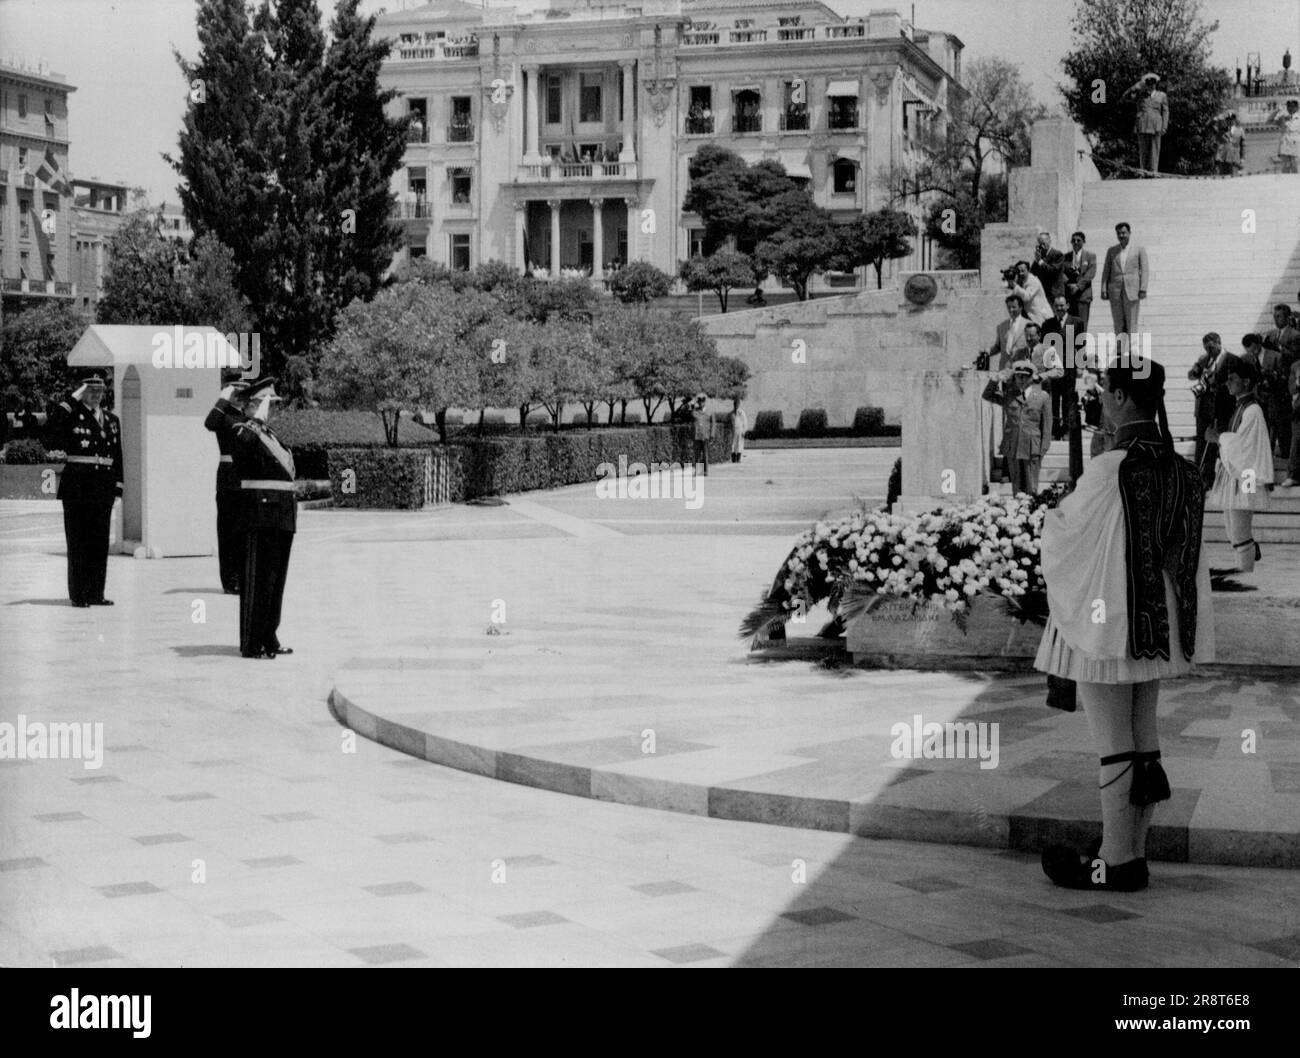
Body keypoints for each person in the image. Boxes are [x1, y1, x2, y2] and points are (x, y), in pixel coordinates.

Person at [1035, 358, 1212, 893]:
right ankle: (1130, 852)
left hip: (1110, 624)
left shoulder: (1111, 467)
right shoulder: (1181, 468)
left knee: (1113, 738)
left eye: (1105, 393)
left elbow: (1065, 535)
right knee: (1144, 736)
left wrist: (1051, 514)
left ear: (1116, 396)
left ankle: (1114, 861)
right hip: (1160, 627)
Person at [208, 376, 296, 659]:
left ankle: (269, 636)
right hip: (258, 512)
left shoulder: (269, 435)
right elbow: (239, 441)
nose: (271, 410)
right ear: (252, 406)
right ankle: (251, 642)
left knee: (274, 581)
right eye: (267, 404)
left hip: (280, 512)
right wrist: (253, 417)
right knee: (258, 581)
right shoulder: (240, 430)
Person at [45, 368, 123, 607]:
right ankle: (79, 594)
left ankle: (96, 592)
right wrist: (72, 398)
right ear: (82, 392)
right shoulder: (71, 415)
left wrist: (118, 487)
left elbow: (118, 455)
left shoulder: (111, 420)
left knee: (99, 543)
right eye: (90, 390)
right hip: (78, 487)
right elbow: (52, 426)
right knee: (78, 542)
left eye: (99, 390)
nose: (96, 395)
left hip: (103, 487)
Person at [1207, 356, 1273, 575]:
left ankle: (1246, 570)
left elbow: (1244, 446)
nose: (1228, 383)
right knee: (1230, 524)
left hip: (1247, 474)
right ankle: (1246, 557)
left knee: (1239, 526)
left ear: (1246, 381)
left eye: (1233, 379)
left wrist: (1219, 438)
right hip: (1237, 472)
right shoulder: (1241, 407)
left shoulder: (1252, 410)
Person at [204, 372, 250, 595]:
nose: (240, 396)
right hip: (229, 480)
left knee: (244, 532)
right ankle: (229, 580)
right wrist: (224, 398)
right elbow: (209, 423)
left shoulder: (248, 416)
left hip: (247, 480)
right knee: (228, 532)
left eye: (243, 391)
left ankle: (243, 577)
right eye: (236, 391)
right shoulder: (223, 415)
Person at [981, 362, 1051, 495]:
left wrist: (1043, 448)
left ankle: (1032, 513)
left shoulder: (1043, 397)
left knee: (1032, 487)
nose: (1022, 380)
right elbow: (987, 395)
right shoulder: (1009, 395)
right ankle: (1017, 513)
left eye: (1025, 377)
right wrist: (995, 379)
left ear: (1032, 378)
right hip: (1013, 445)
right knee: (1016, 487)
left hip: (1032, 447)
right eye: (1019, 377)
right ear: (1014, 378)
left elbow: (1047, 426)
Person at [1040, 296, 1085, 440]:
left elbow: (1081, 346)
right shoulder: (1048, 324)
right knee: (1053, 400)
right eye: (1056, 306)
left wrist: (1080, 366)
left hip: (1070, 366)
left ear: (1067, 306)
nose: (1059, 308)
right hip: (1054, 367)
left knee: (1068, 399)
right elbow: (1045, 347)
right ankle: (1054, 430)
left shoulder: (1077, 322)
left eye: (1061, 305)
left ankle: (1067, 430)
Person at [1262, 303, 1300, 456]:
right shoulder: (1271, 334)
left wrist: (1279, 348)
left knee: (1284, 420)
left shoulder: (1295, 335)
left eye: (1279, 316)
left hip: (1286, 383)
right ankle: (1269, 451)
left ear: (1287, 317)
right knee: (1271, 418)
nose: (1276, 319)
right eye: (1274, 317)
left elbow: (1296, 357)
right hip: (1272, 383)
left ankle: (1286, 452)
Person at [1188, 332, 1227, 480]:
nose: (1208, 351)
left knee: (1215, 443)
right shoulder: (1203, 359)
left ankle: (1212, 476)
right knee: (1201, 442)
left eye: (1211, 348)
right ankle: (1201, 476)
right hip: (1203, 407)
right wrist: (1196, 370)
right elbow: (1191, 376)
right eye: (1206, 348)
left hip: (1219, 406)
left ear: (1219, 343)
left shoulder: (1226, 359)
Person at [1100, 222, 1148, 335]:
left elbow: (1145, 270)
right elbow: (1106, 270)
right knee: (1118, 320)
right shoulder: (1112, 251)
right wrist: (1103, 289)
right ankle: (1121, 347)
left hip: (1132, 290)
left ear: (1129, 233)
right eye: (1119, 233)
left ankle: (1133, 347)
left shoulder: (1138, 249)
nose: (1121, 235)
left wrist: (1143, 288)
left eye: (1123, 233)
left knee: (1132, 320)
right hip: (1115, 291)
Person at [1124, 73, 1169, 175]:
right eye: (1148, 83)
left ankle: (1153, 172)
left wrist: (1164, 127)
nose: (1151, 86)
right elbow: (1125, 97)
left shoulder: (1162, 96)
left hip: (1156, 126)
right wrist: (1134, 87)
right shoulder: (1140, 95)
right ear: (1145, 84)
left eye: (1153, 83)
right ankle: (1143, 172)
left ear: (1156, 84)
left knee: (1155, 150)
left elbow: (1166, 112)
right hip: (1143, 125)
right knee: (1143, 151)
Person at [1062, 231, 1096, 329]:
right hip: (1069, 295)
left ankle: (1081, 344)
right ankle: (1069, 344)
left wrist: (1078, 286)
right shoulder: (1066, 257)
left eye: (1079, 240)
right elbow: (1061, 273)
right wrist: (1069, 284)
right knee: (1069, 324)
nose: (1076, 242)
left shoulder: (1090, 256)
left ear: (1084, 241)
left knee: (1082, 324)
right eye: (1073, 240)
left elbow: (1090, 274)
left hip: (1083, 295)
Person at [988, 295, 1028, 371]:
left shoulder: (1029, 325)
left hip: (1021, 370)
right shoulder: (1001, 326)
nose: (1010, 310)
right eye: (1008, 307)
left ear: (1021, 307)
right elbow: (998, 347)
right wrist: (987, 352)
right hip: (1004, 370)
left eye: (1013, 307)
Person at [1009, 259, 1049, 324]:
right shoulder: (1022, 280)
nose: (1020, 273)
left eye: (1023, 271)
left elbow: (1026, 297)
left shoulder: (1033, 281)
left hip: (1039, 316)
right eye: (1018, 271)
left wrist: (1015, 285)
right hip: (1030, 315)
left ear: (1028, 270)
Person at [1030, 231, 1065, 301]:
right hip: (1043, 294)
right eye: (1040, 244)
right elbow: (1032, 273)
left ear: (1049, 241)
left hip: (1055, 293)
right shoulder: (1040, 256)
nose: (1042, 246)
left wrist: (1040, 261)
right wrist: (1037, 260)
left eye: (1044, 243)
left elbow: (1053, 271)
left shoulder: (1058, 254)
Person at [1269, 98, 1300, 174]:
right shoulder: (1283, 118)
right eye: (1289, 106)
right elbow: (1269, 121)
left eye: (1293, 106)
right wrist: (1276, 111)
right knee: (1285, 173)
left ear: (1297, 108)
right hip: (1285, 148)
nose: (1290, 108)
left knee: (1296, 172)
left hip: (1296, 149)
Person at [690, 393, 713, 476]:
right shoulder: (695, 411)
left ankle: (706, 471)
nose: (701, 404)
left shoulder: (709, 412)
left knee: (705, 454)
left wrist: (712, 434)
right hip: (697, 436)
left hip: (705, 436)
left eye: (702, 402)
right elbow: (692, 414)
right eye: (699, 402)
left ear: (705, 402)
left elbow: (713, 423)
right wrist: (692, 404)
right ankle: (697, 471)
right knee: (697, 455)